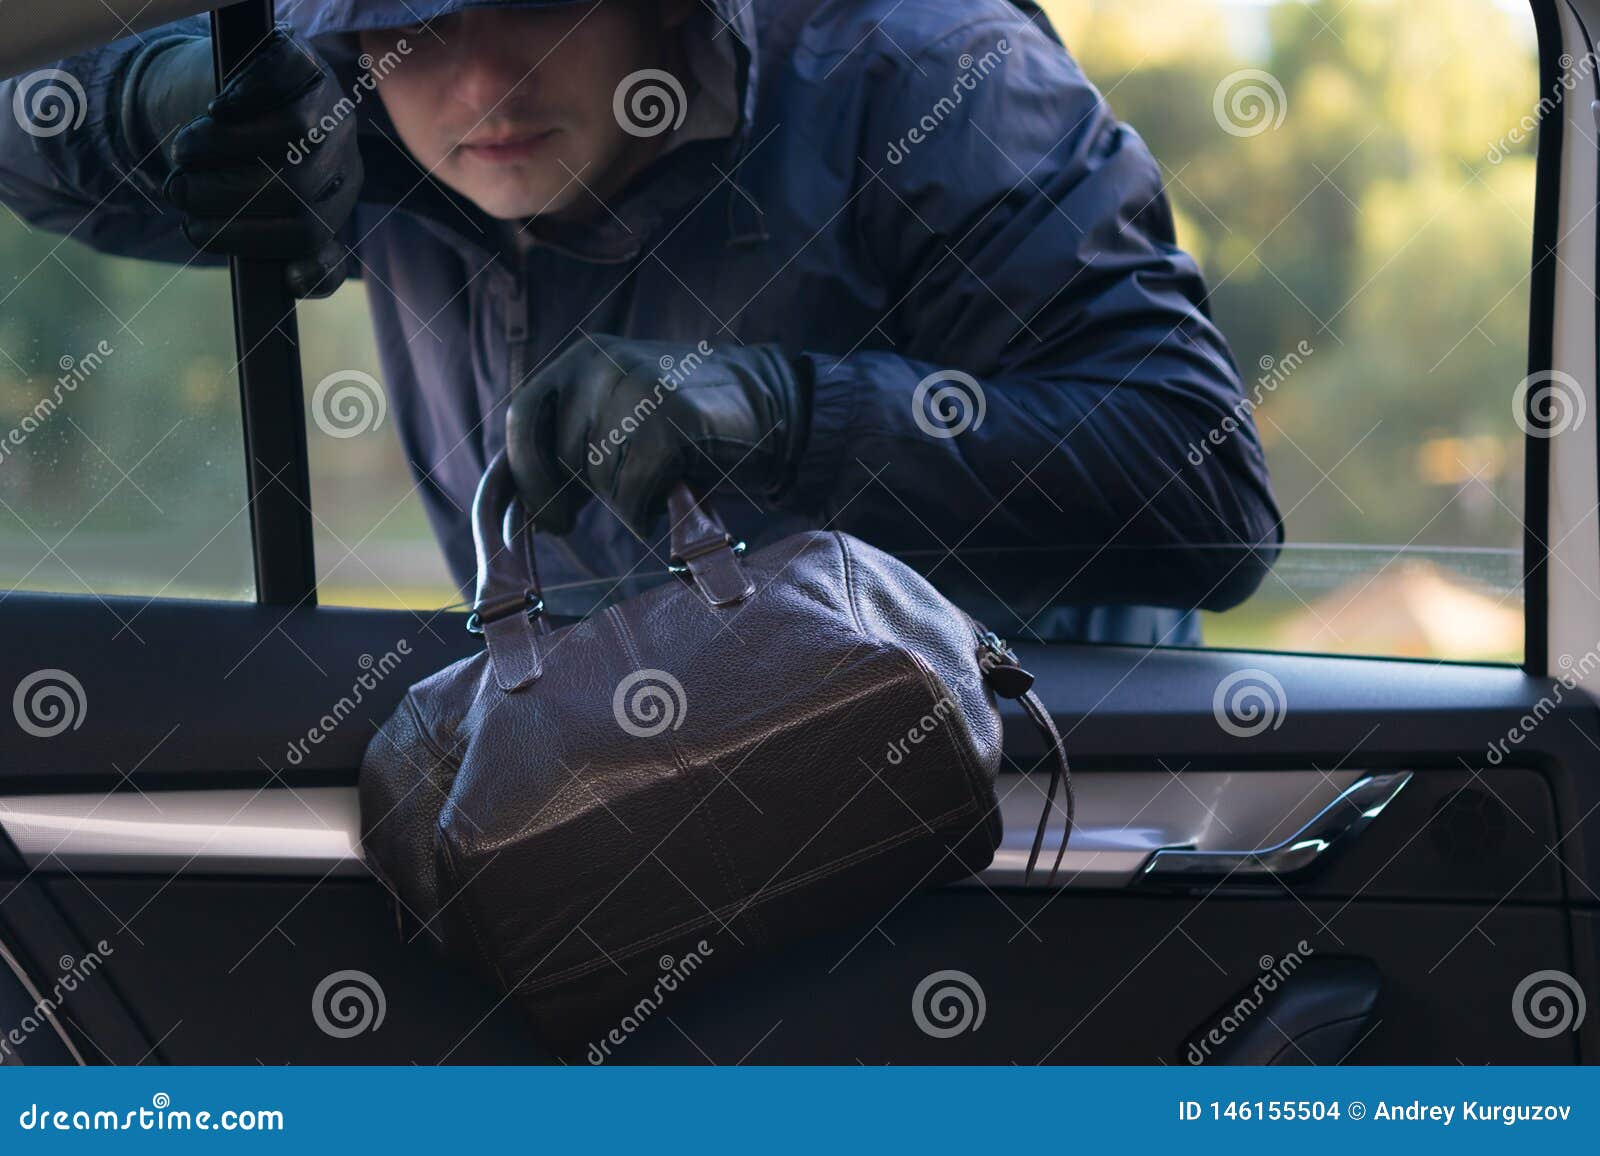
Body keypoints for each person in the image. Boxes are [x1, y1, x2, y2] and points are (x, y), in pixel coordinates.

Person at [0, 0, 1282, 643]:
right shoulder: (350, 108)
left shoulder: (925, 71)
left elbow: (1205, 494)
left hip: (1024, 842)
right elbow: (25, 124)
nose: (483, 81)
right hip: (600, 846)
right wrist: (167, 94)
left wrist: (786, 416)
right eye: (416, 18)